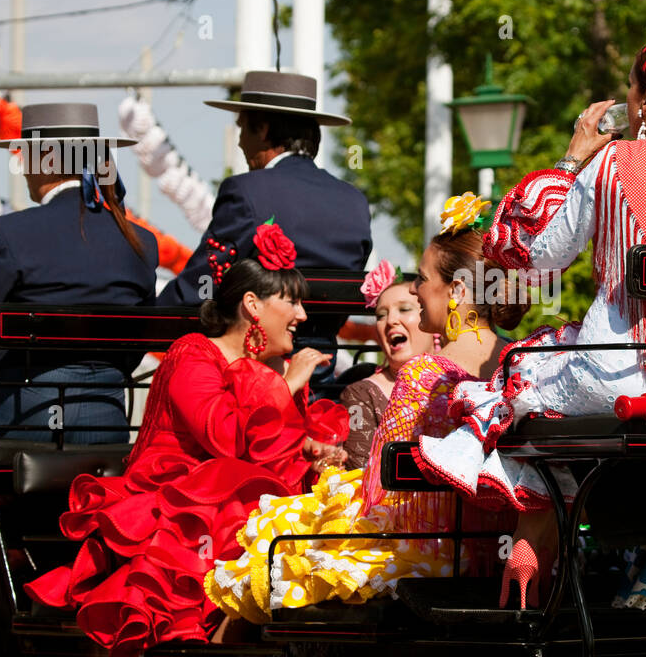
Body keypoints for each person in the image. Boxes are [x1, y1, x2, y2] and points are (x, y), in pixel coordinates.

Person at [414, 0, 646, 615]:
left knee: (517, 378)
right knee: (548, 386)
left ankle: (536, 570)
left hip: (623, 381)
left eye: (633, 92)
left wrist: (572, 155)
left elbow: (531, 253)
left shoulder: (614, 165)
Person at [25, 223, 346, 657]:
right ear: (252, 304)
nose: (302, 315)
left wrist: (312, 448)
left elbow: (272, 448)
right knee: (236, 498)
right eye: (290, 300)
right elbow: (225, 440)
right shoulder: (194, 354)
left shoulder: (271, 367)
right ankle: (207, 655)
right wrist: (285, 386)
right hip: (176, 496)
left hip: (237, 495)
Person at [206, 220, 517, 621]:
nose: (417, 289)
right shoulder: (519, 361)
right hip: (495, 546)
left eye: (422, 279)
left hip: (430, 548)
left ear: (456, 290)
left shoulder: (424, 374)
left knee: (272, 536)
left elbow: (384, 497)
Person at [0, 103, 158, 443]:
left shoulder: (9, 234)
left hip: (23, 419)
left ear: (46, 160)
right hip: (108, 420)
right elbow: (136, 341)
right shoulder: (140, 242)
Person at [157, 71, 372, 368]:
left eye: (243, 130)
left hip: (256, 375)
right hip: (323, 370)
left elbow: (203, 282)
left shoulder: (246, 191)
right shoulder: (354, 201)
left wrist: (145, 320)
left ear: (263, 129)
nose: (241, 144)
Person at [338, 260, 436, 469]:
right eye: (381, 315)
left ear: (430, 316)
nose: (391, 320)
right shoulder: (361, 394)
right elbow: (359, 474)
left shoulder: (463, 380)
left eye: (404, 309)